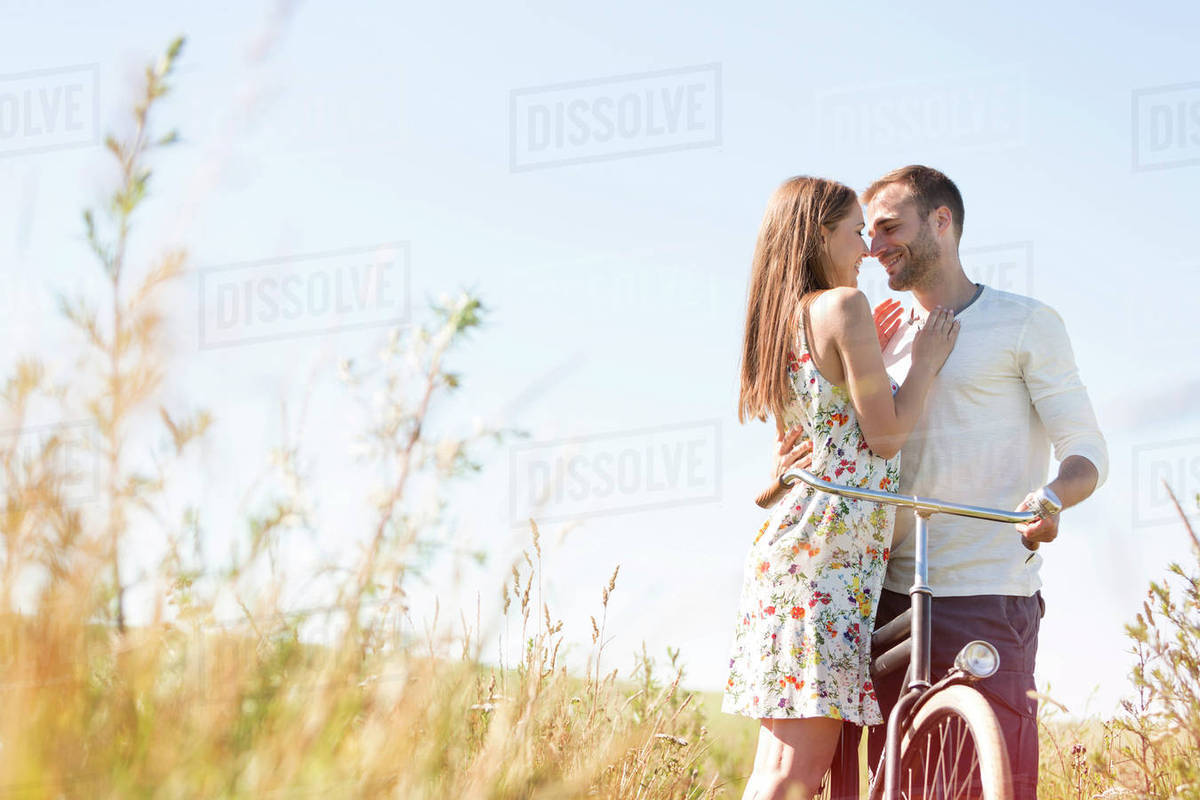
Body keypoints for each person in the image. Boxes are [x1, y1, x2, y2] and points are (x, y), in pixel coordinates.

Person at [779, 165, 1108, 797]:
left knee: (984, 780)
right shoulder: (876, 329)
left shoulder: (1024, 323)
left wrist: (1053, 496)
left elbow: (1086, 449)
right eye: (866, 231)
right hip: (881, 590)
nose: (873, 247)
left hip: (984, 588)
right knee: (886, 781)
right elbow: (833, 427)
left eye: (890, 227)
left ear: (942, 221)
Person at [722, 175, 960, 800]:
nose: (865, 249)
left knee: (776, 767)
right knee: (797, 772)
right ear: (820, 235)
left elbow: (815, 441)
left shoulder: (782, 320)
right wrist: (926, 363)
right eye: (856, 232)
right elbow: (884, 438)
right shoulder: (843, 307)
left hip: (791, 549)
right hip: (826, 560)